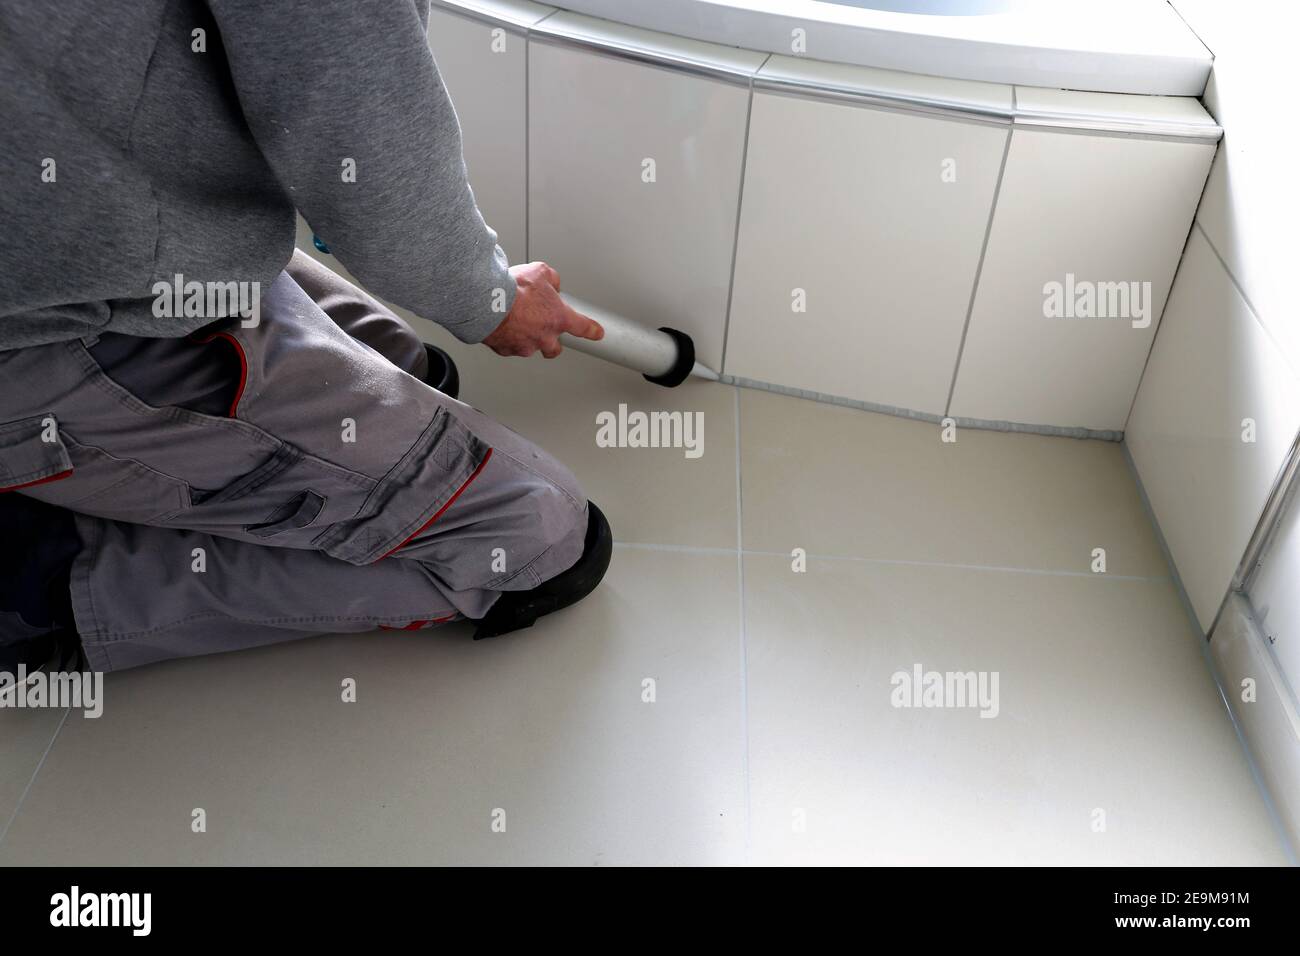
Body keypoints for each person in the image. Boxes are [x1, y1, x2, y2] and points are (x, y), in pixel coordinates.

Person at [0, 0, 612, 674]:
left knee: (419, 371)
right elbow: (365, 152)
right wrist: (491, 301)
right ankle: (42, 586)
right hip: (52, 329)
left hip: (123, 248)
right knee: (544, 542)